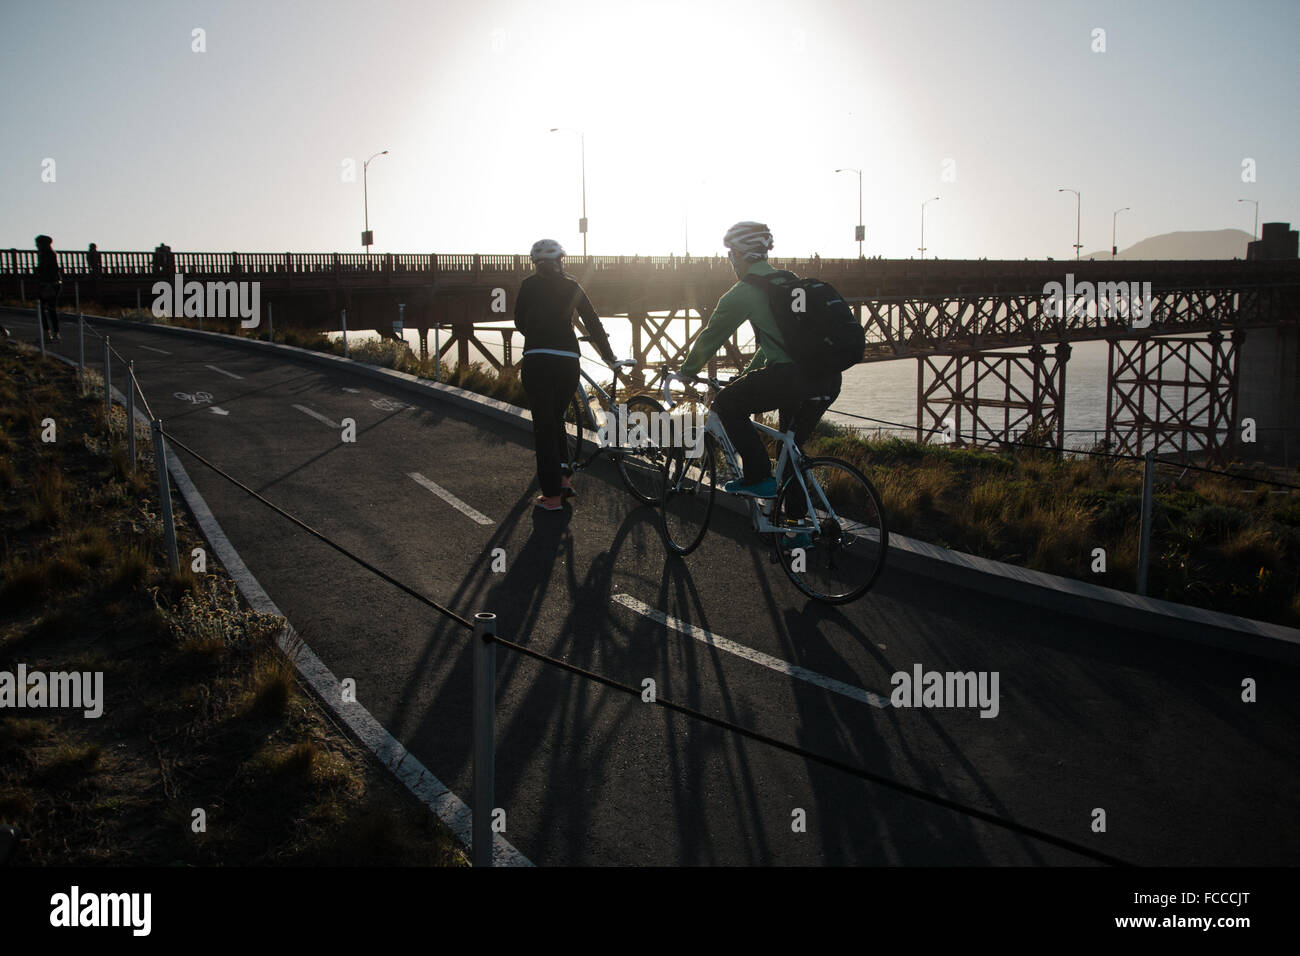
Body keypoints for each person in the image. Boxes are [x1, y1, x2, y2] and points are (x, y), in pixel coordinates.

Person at [673, 221, 841, 499]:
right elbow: (778, 343)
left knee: (726, 403)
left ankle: (757, 476)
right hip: (828, 377)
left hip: (793, 379)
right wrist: (748, 374)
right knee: (790, 452)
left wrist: (686, 371)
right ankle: (796, 528)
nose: (730, 261)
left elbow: (711, 337)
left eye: (730, 255)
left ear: (740, 255)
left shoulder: (743, 292)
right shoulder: (790, 281)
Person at [514, 239, 618, 511]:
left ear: (535, 263)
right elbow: (593, 322)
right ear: (562, 260)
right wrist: (609, 357)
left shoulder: (528, 285)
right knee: (556, 419)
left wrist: (538, 335)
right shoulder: (572, 285)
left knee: (544, 427)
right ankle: (562, 479)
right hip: (567, 362)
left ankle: (551, 497)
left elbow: (519, 321)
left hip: (537, 361)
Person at [35, 234, 62, 342]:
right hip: (50, 284)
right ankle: (52, 333)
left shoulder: (49, 255)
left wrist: (48, 283)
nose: (36, 245)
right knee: (47, 309)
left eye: (38, 243)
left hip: (51, 285)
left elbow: (53, 270)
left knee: (49, 309)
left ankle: (51, 334)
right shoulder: (45, 254)